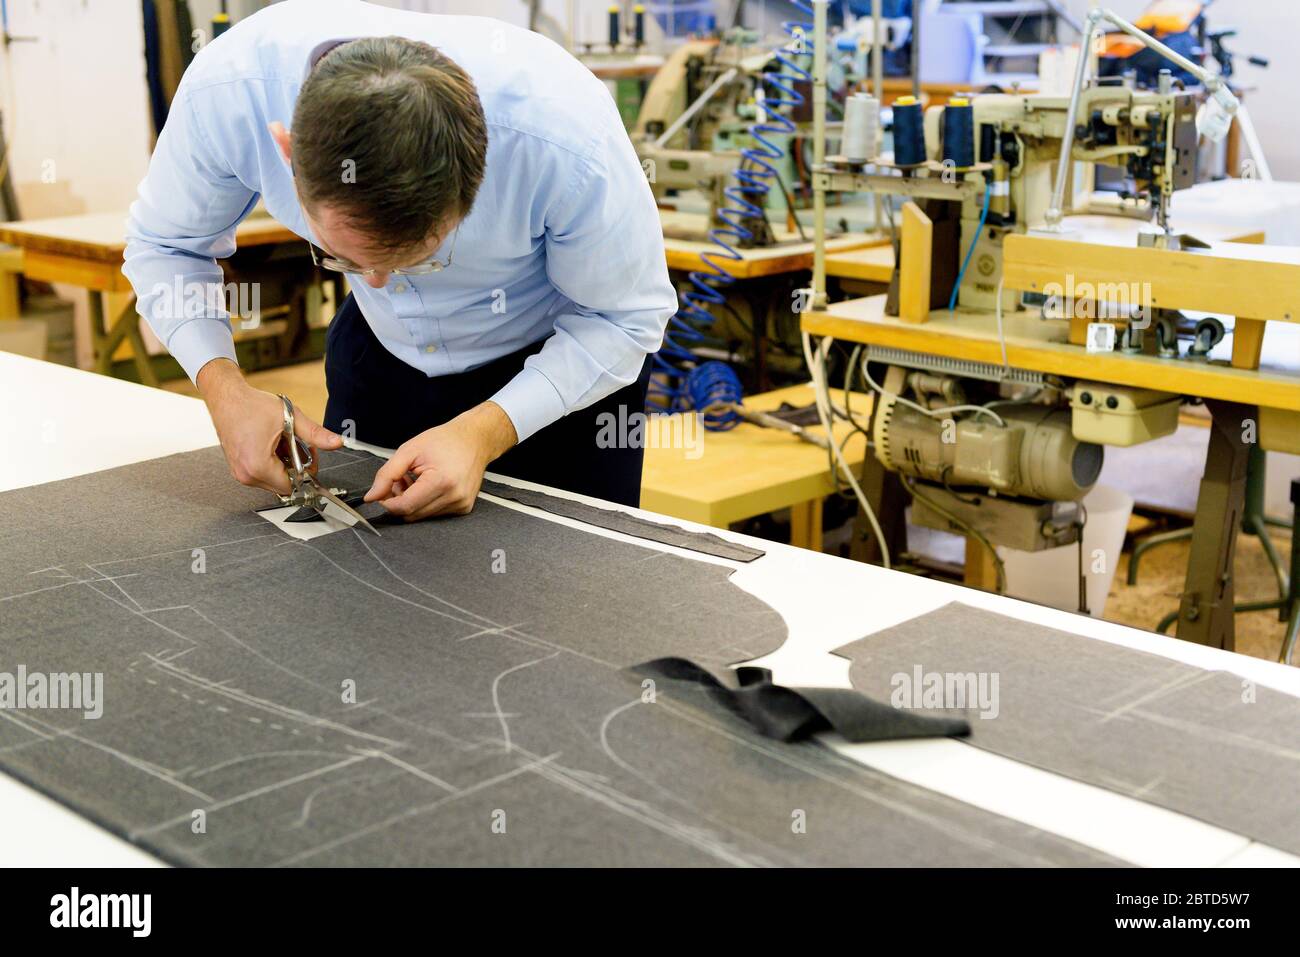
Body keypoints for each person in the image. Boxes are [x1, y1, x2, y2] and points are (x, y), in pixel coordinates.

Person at [125, 0, 676, 520]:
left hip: (561, 377)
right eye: (343, 259)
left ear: (479, 172)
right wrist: (225, 391)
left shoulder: (562, 137)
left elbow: (624, 317)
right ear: (288, 152)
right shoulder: (230, 92)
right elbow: (165, 247)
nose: (379, 282)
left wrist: (486, 430)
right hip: (380, 360)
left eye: (421, 259)